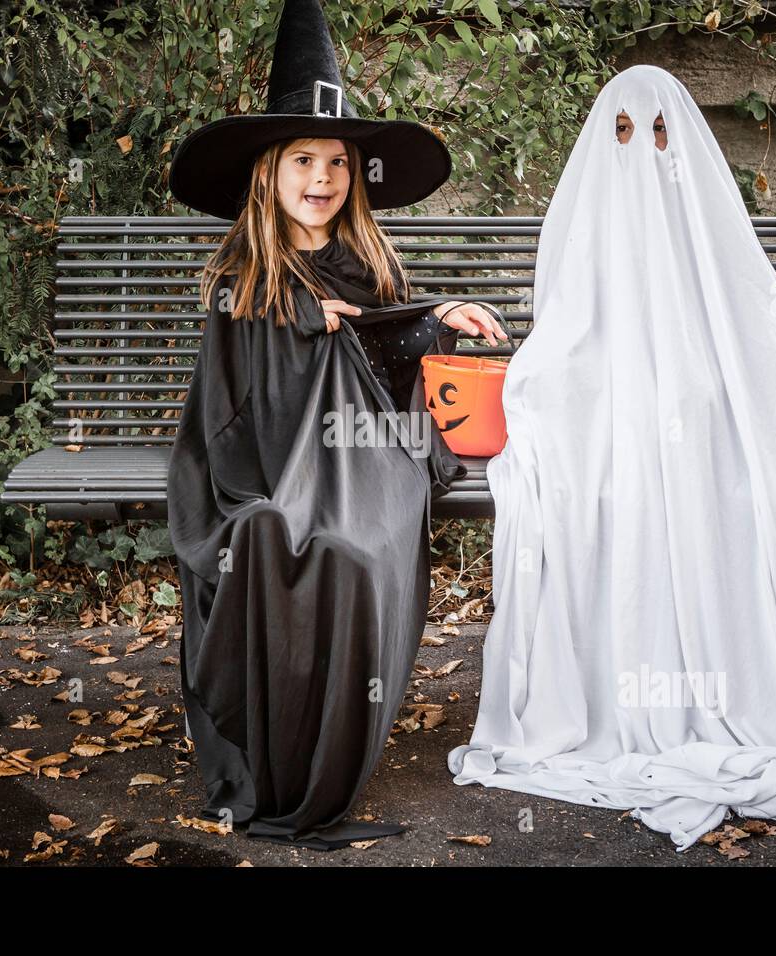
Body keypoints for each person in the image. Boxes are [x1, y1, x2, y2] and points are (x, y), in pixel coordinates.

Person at [447, 64, 776, 852]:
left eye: (661, 131)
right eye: (625, 133)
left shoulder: (708, 241)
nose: (643, 151)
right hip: (614, 436)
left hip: (710, 439)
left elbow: (762, 359)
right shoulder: (590, 238)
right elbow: (561, 352)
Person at [166, 0, 505, 850]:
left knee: (352, 552)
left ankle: (331, 748)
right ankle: (279, 754)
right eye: (303, 161)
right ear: (268, 174)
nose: (323, 179)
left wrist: (435, 320)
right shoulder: (241, 279)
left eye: (339, 164)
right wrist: (295, 329)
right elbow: (225, 414)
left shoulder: (369, 262)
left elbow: (391, 372)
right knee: (274, 538)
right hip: (260, 473)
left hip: (364, 472)